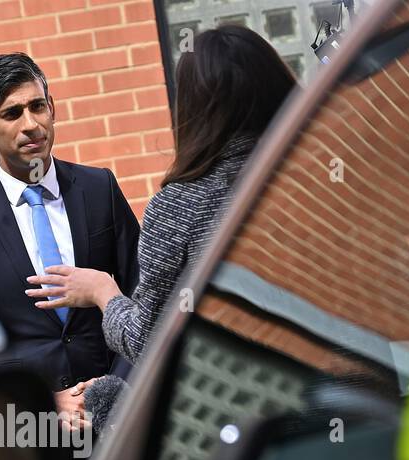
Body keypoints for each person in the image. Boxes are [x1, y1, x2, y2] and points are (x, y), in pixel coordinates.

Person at [24, 25, 297, 421]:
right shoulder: (321, 176)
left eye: (38, 107)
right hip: (360, 400)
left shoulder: (181, 202)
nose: (31, 124)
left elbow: (149, 339)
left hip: (249, 423)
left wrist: (104, 292)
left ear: (193, 106)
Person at [0, 53, 141, 425]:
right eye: (12, 114)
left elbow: (144, 296)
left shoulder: (98, 188)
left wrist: (115, 390)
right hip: (27, 438)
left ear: (52, 107)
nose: (31, 125)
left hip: (122, 423)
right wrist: (37, 404)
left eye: (37, 106)